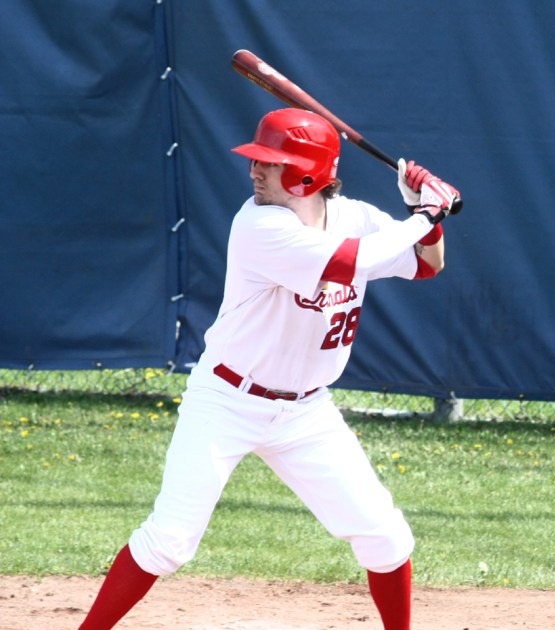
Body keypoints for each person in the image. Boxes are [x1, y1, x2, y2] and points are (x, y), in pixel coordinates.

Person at [78, 108, 461, 630]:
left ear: (308, 173)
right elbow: (349, 262)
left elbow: (425, 264)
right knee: (169, 540)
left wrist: (421, 212)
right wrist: (425, 215)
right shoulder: (258, 224)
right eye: (258, 159)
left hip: (306, 411)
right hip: (227, 399)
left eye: (272, 162)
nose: (256, 170)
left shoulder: (358, 218)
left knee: (385, 536)